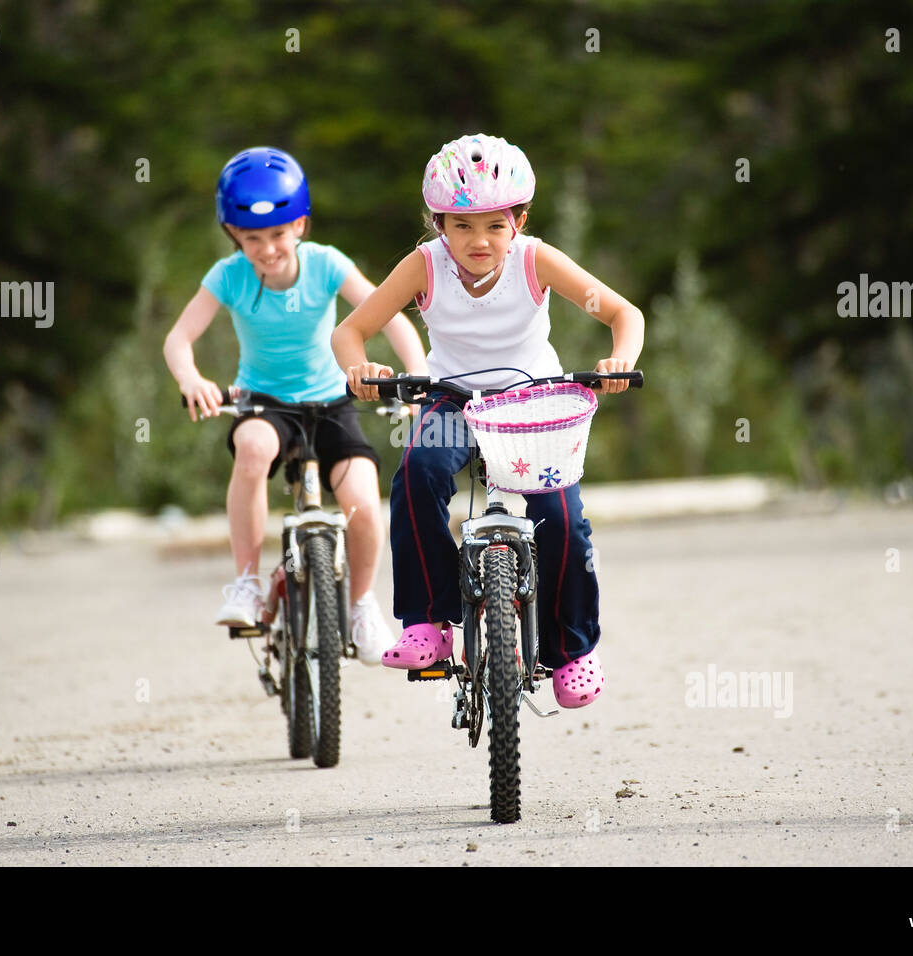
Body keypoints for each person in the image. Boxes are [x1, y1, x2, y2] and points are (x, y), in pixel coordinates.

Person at [332, 133, 644, 707]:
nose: (479, 241)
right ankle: (429, 622)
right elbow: (349, 331)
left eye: (495, 226)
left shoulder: (535, 260)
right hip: (451, 397)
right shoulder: (423, 266)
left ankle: (572, 649)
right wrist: (358, 366)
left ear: (518, 222)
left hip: (533, 402)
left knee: (562, 514)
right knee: (417, 473)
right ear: (438, 224)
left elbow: (624, 312)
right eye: (462, 226)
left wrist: (621, 357)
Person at [164, 146, 428, 665]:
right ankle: (245, 584)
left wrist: (416, 376)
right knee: (253, 449)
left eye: (278, 234)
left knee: (362, 500)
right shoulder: (227, 276)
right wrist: (191, 376)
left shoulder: (327, 265)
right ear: (233, 236)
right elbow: (179, 338)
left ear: (300, 225)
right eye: (251, 238)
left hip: (331, 402)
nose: (266, 249)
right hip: (264, 404)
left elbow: (392, 318)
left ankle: (361, 605)